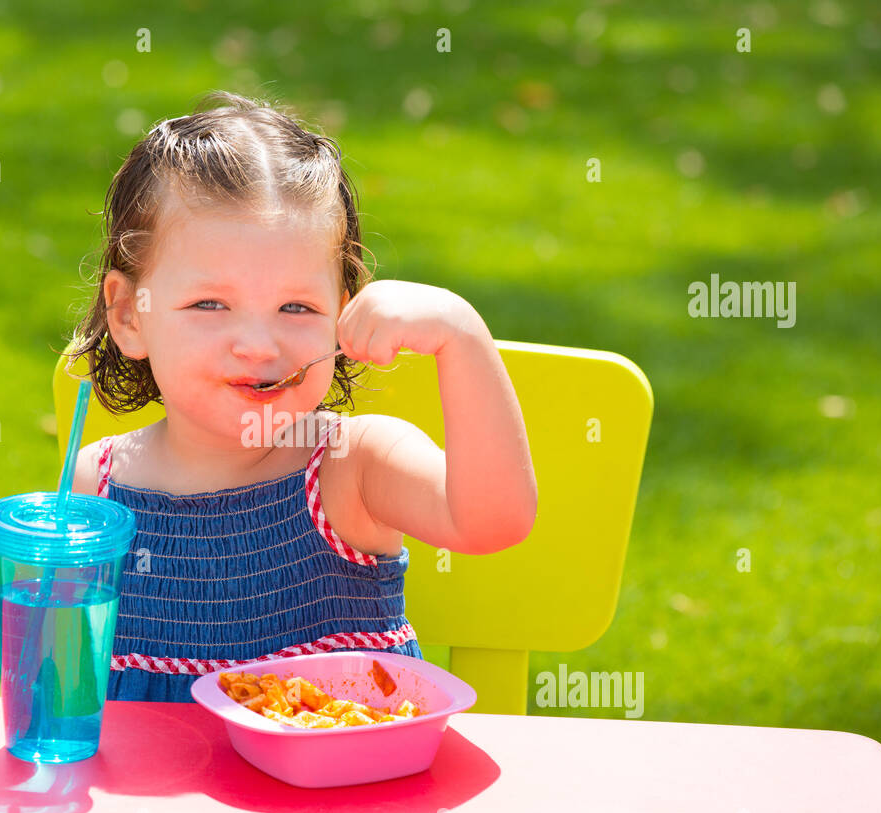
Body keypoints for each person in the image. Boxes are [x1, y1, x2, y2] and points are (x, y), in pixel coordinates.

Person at [65, 91, 536, 702]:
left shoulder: (354, 466)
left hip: (350, 792)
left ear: (342, 316)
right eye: (211, 304)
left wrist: (463, 336)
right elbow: (65, 680)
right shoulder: (96, 482)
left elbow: (493, 521)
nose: (259, 345)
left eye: (296, 307)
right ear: (129, 314)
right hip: (152, 798)